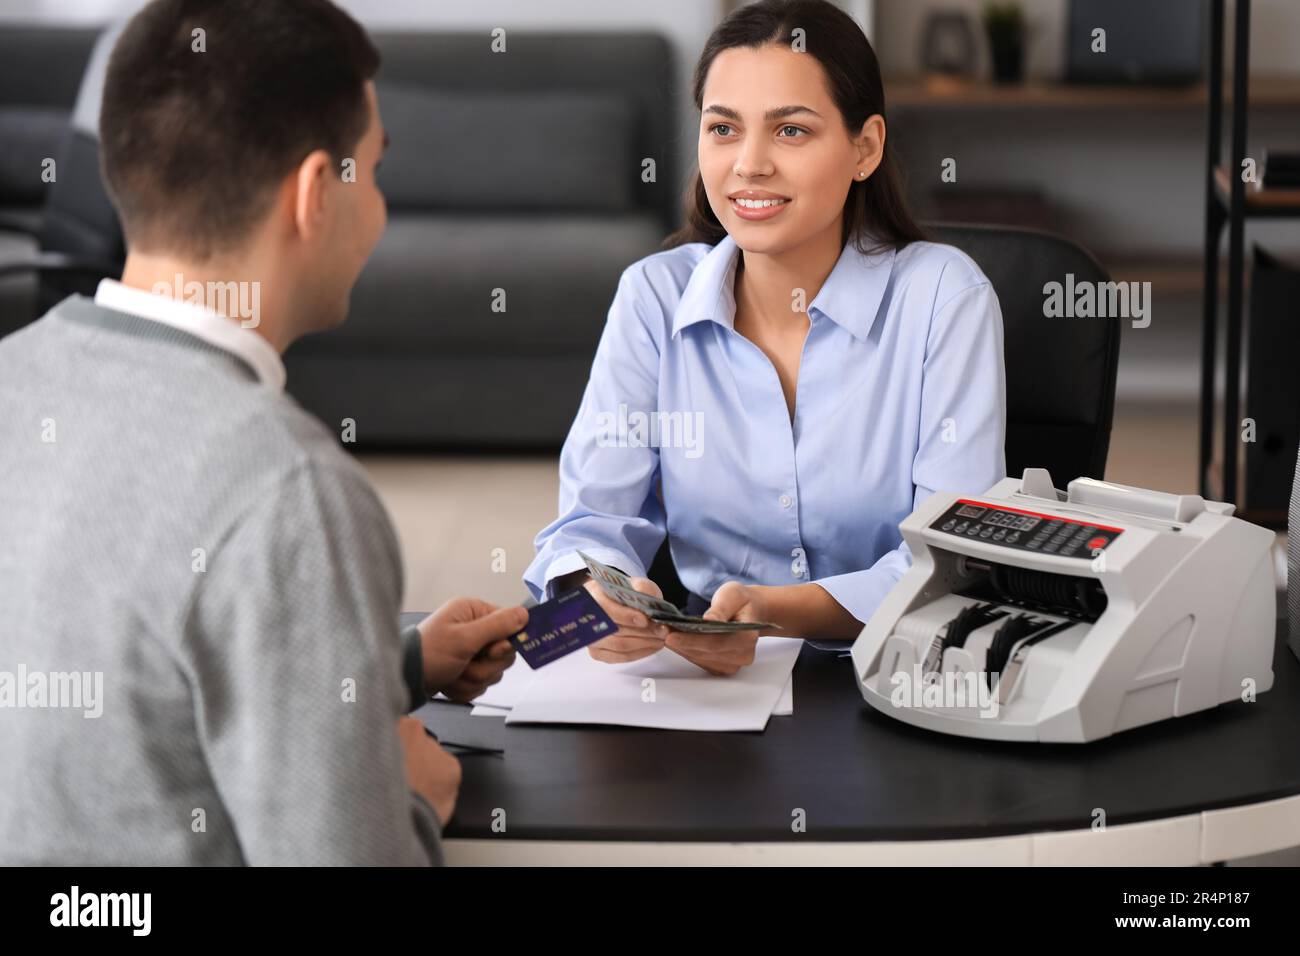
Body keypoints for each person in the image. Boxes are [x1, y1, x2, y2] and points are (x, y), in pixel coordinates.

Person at [0, 0, 524, 865]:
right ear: (317, 194)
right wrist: (416, 807)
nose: (381, 210)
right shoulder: (291, 492)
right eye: (374, 170)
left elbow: (114, 663)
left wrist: (384, 666)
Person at [525, 0, 1006, 676]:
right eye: (724, 128)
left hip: (898, 677)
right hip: (701, 683)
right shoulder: (653, 297)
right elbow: (586, 527)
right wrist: (593, 599)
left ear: (864, 147)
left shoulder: (943, 298)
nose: (749, 165)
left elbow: (954, 558)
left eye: (790, 131)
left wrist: (777, 611)